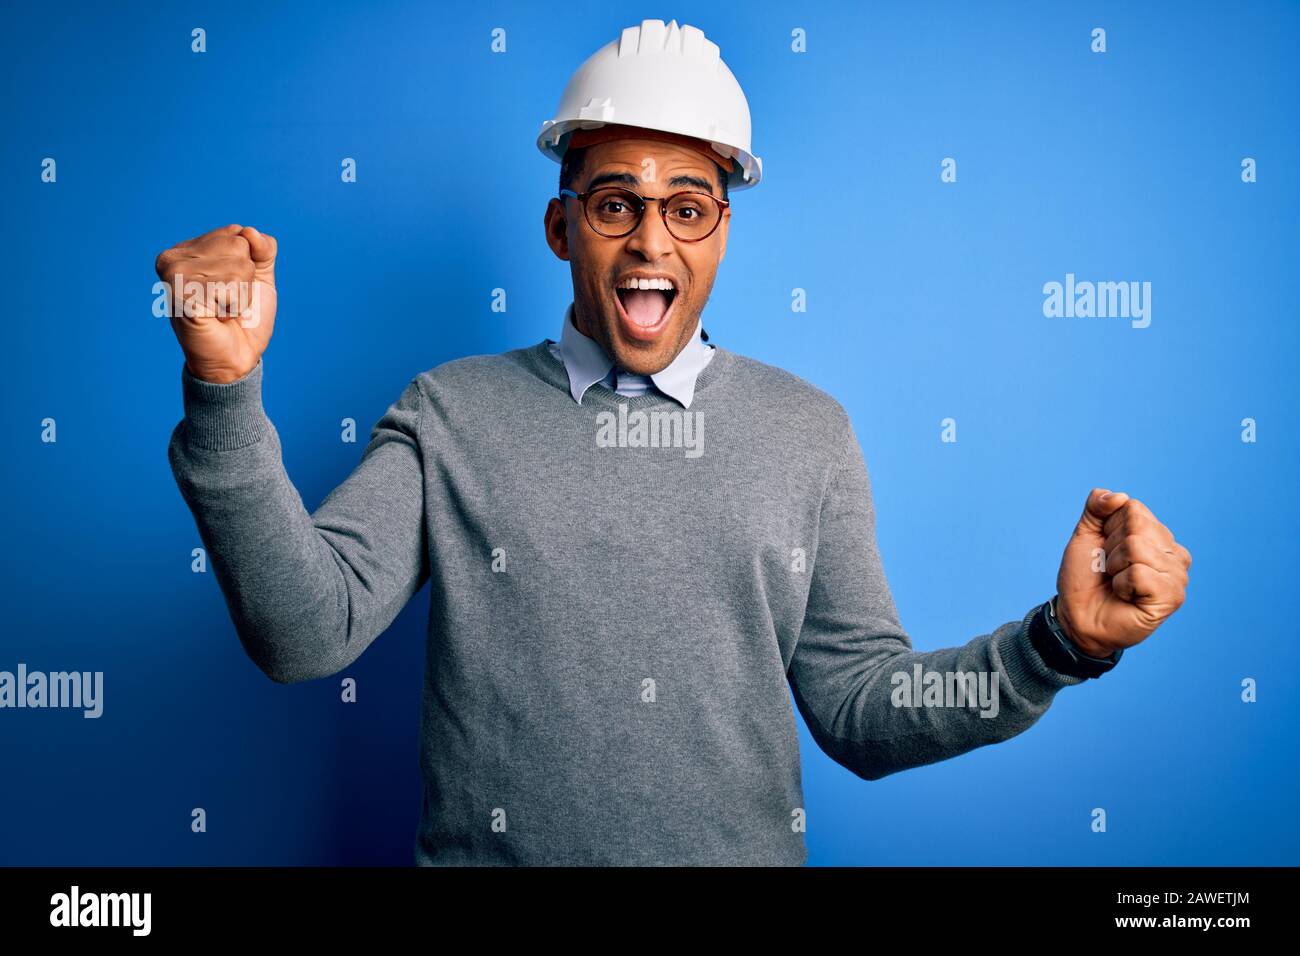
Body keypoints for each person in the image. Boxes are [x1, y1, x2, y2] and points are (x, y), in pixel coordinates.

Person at [156, 19, 1191, 866]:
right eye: (616, 204)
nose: (652, 240)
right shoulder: (450, 411)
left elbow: (861, 709)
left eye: (687, 208)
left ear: (722, 233)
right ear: (562, 229)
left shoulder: (806, 432)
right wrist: (223, 388)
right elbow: (304, 633)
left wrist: (1060, 641)